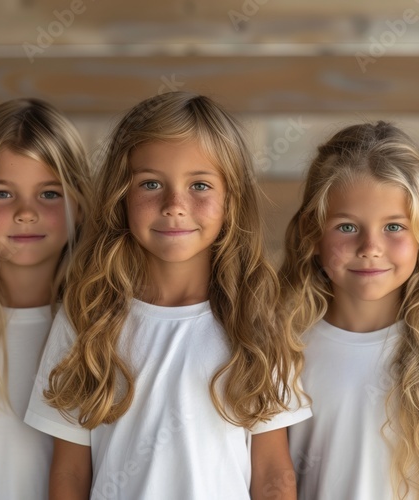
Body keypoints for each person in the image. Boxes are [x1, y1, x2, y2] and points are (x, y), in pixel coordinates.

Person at [25, 91, 311, 499]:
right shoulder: (87, 317)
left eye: (199, 185)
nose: (175, 205)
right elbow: (70, 473)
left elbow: (271, 473)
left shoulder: (257, 319)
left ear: (231, 200)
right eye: (151, 184)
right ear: (121, 196)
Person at [282, 121, 419, 499]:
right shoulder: (286, 345)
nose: (371, 246)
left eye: (393, 227)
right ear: (313, 233)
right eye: (347, 226)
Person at [0, 98, 92, 499]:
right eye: (3, 194)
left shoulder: (100, 332)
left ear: (80, 202)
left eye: (50, 194)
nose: (26, 213)